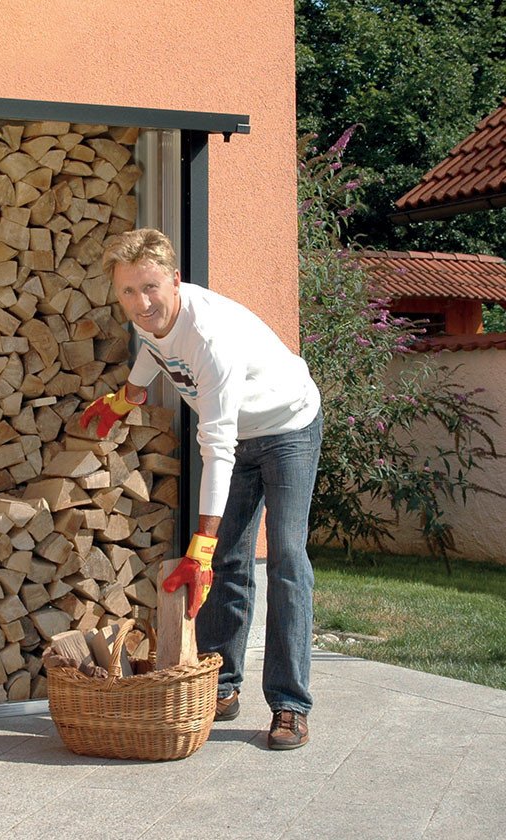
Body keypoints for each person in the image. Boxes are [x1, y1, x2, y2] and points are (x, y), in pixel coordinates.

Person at [80, 228, 323, 750]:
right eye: (127, 291)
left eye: (150, 288)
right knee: (230, 563)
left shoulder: (209, 336)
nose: (141, 303)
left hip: (287, 429)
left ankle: (289, 704)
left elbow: (218, 445)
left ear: (175, 280)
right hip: (236, 438)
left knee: (284, 556)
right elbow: (153, 350)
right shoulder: (151, 320)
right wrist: (126, 397)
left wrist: (201, 543)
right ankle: (223, 686)